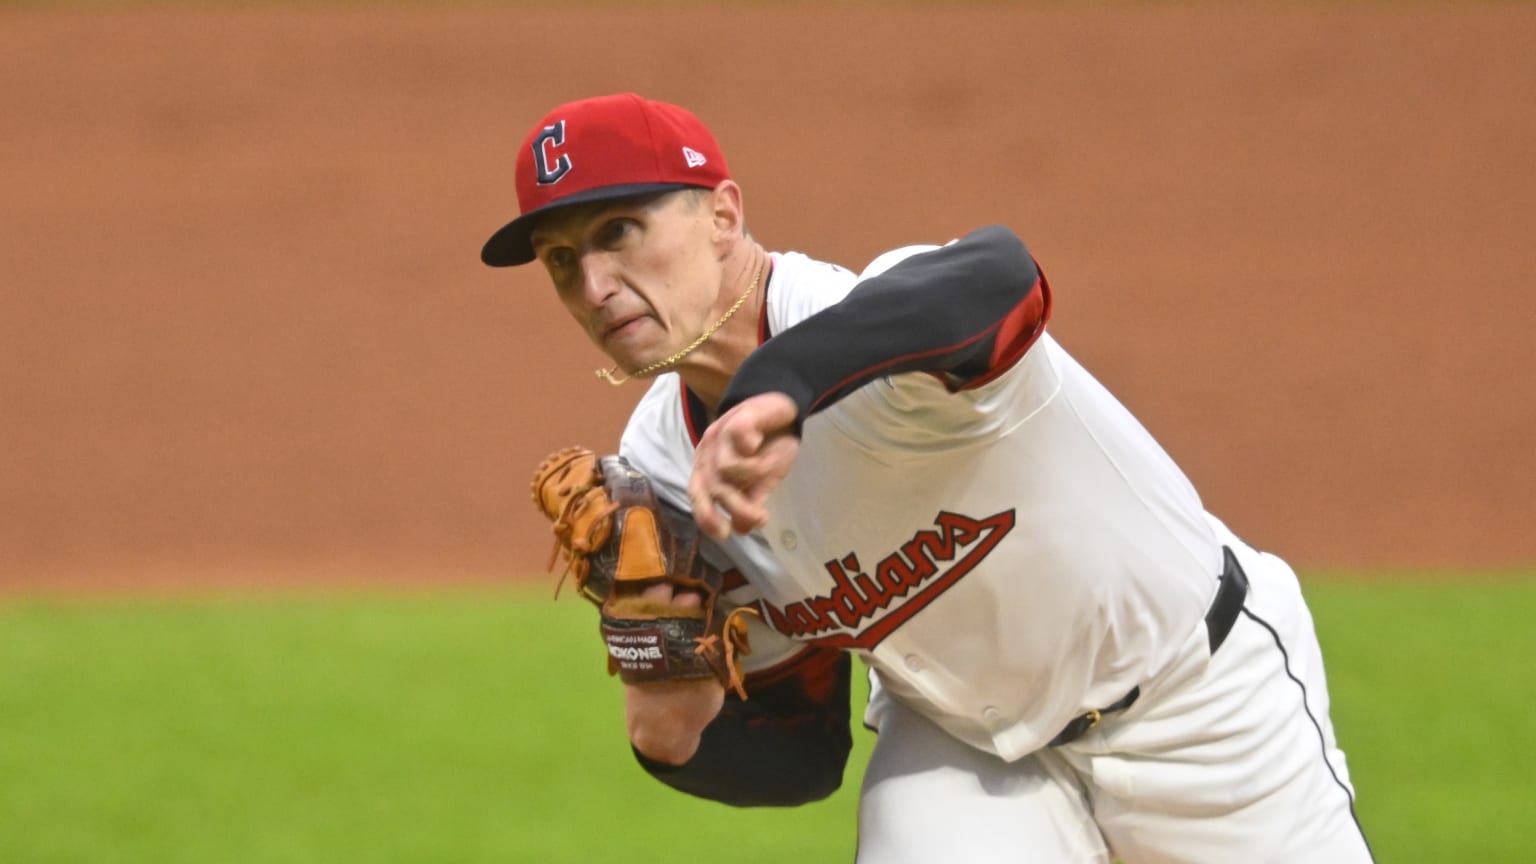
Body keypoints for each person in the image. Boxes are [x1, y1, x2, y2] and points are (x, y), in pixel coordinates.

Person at [481, 92, 1374, 863]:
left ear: (722, 216)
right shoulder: (666, 470)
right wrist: (669, 717)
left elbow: (997, 277)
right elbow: (799, 762)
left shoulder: (880, 317)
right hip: (970, 749)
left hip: (1202, 700)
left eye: (618, 232)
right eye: (562, 260)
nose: (594, 284)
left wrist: (779, 387)